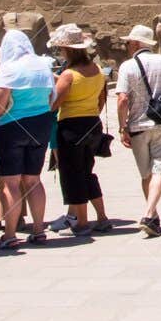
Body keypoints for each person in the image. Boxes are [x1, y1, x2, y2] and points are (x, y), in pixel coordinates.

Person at [0, 29, 57, 250]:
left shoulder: (9, 69)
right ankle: (38, 230)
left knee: (10, 182)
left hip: (12, 128)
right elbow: (52, 98)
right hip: (41, 125)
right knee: (33, 179)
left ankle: (9, 233)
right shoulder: (44, 67)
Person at [115, 24, 161, 238]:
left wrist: (122, 126)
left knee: (146, 173)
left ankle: (151, 215)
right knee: (159, 170)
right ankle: (150, 214)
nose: (126, 46)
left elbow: (122, 99)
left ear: (136, 43)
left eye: (128, 43)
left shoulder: (127, 66)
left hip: (137, 125)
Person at [45, 24, 111, 237]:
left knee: (72, 174)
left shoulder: (69, 75)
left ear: (67, 50)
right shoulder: (98, 71)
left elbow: (54, 104)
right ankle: (101, 217)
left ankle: (81, 222)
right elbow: (101, 100)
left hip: (71, 127)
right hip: (92, 123)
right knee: (87, 171)